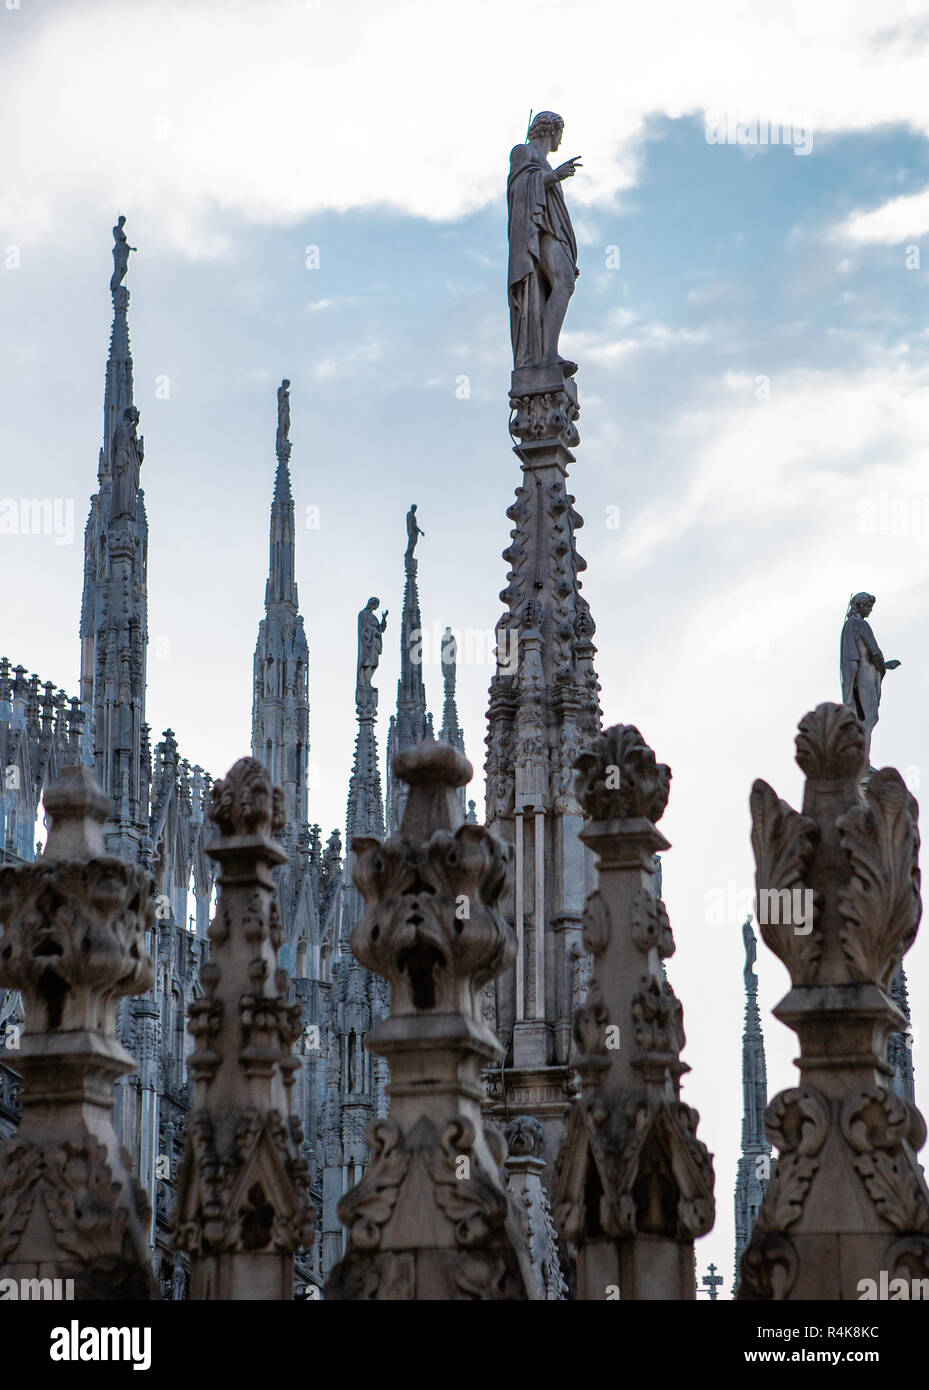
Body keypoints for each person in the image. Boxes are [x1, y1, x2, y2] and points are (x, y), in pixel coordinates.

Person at [507, 111, 581, 371]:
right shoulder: (523, 152)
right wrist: (554, 176)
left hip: (552, 233)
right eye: (561, 132)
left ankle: (549, 353)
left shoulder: (546, 163)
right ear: (552, 130)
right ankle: (547, 355)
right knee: (564, 283)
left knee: (565, 283)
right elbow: (519, 187)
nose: (561, 140)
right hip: (539, 235)